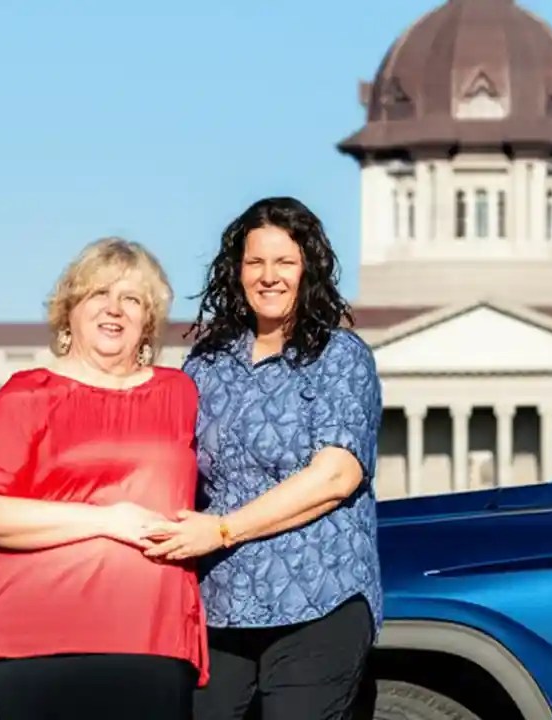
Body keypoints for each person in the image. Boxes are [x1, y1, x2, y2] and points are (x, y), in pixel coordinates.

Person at [142, 196, 383, 720]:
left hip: (318, 600)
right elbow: (165, 455)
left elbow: (336, 475)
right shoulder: (206, 362)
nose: (269, 276)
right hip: (219, 604)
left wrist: (223, 529)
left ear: (308, 269)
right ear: (237, 271)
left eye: (285, 262)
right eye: (256, 262)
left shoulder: (339, 356)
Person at [0, 237, 208, 720]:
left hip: (150, 633)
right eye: (99, 294)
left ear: (148, 322)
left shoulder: (181, 393)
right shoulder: (27, 395)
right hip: (36, 639)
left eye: (132, 299)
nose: (115, 309)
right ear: (70, 310)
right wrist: (108, 521)